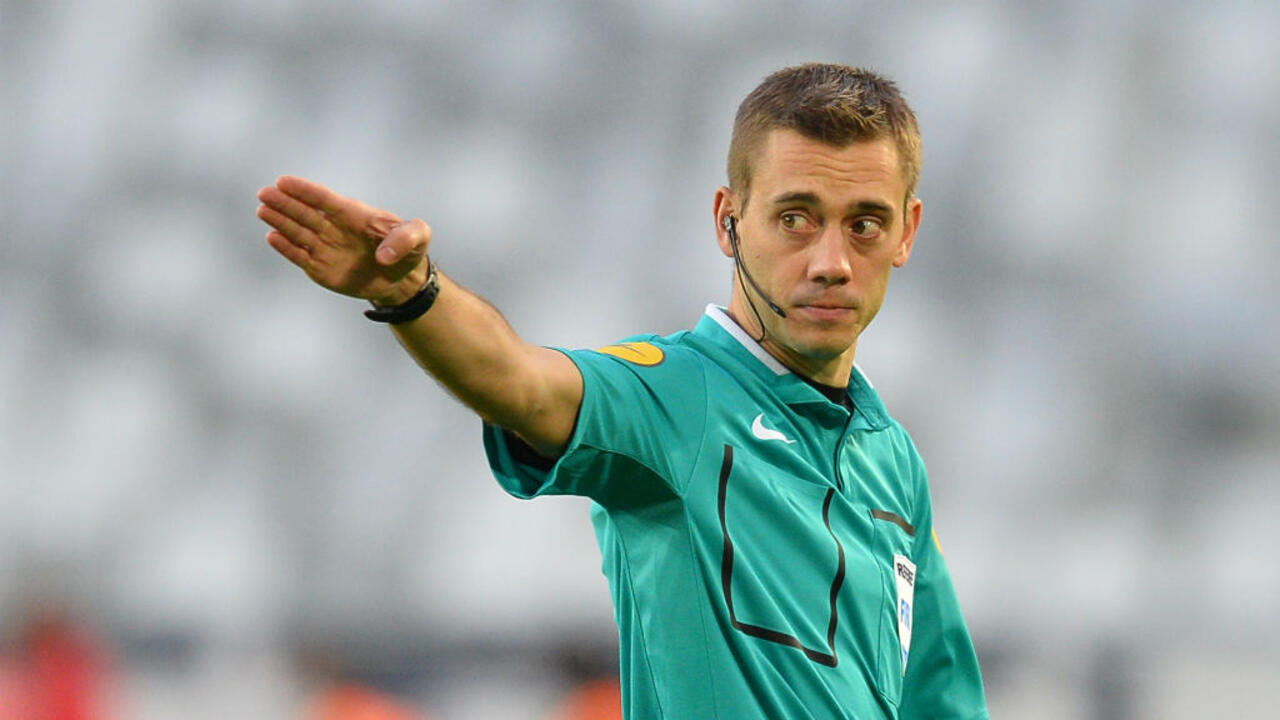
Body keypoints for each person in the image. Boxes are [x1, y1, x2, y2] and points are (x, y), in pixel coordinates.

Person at [257, 63, 988, 720]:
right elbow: (519, 381)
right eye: (795, 218)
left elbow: (941, 700)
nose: (830, 261)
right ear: (728, 222)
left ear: (907, 232)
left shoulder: (893, 460)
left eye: (864, 224)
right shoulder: (675, 398)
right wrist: (415, 295)